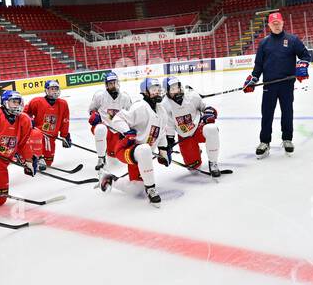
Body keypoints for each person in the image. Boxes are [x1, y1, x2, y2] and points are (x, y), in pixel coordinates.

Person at [244, 11, 313, 157]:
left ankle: (287, 139)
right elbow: (258, 65)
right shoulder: (264, 43)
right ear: (269, 25)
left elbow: (305, 55)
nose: (276, 25)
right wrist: (253, 79)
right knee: (267, 114)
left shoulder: (292, 40)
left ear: (282, 23)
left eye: (278, 22)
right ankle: (265, 142)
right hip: (269, 85)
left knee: (287, 112)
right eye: (273, 23)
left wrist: (302, 66)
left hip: (287, 84)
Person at [98, 77, 166, 206]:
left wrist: (163, 151)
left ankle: (110, 179)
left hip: (142, 154)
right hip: (126, 148)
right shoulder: (140, 106)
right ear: (145, 92)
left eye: (158, 89)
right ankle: (151, 189)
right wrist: (127, 131)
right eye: (153, 89)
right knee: (145, 149)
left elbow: (161, 132)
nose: (157, 92)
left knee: (136, 189)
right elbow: (117, 118)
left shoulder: (162, 110)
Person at [0, 90, 42, 209]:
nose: (17, 105)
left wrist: (28, 160)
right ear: (5, 103)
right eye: (13, 102)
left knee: (0, 200)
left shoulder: (24, 120)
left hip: (4, 160)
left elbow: (23, 143)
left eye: (18, 102)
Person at [160, 76, 221, 177]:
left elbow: (205, 107)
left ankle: (213, 162)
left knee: (212, 129)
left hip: (198, 128)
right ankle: (196, 152)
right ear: (167, 91)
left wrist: (209, 112)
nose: (176, 91)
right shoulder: (164, 105)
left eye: (177, 87)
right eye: (172, 89)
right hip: (184, 136)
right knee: (193, 168)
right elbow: (169, 125)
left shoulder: (192, 96)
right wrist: (168, 143)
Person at [87, 72, 132, 172]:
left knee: (113, 156)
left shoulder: (125, 97)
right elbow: (91, 109)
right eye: (110, 83)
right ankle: (101, 158)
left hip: (117, 131)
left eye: (115, 83)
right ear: (106, 85)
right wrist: (94, 115)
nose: (113, 85)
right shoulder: (100, 96)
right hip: (105, 127)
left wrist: (125, 130)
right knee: (100, 129)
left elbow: (130, 115)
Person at [25, 80, 71, 169]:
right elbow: (25, 113)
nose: (54, 91)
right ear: (46, 90)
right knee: (35, 138)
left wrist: (65, 135)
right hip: (38, 136)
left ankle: (40, 158)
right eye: (52, 89)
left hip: (51, 137)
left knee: (48, 163)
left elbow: (65, 121)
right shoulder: (37, 101)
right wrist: (29, 120)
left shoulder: (63, 104)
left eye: (56, 89)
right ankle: (36, 157)